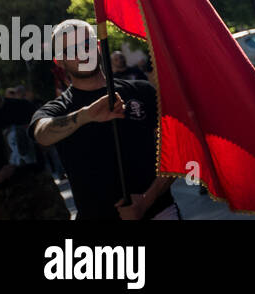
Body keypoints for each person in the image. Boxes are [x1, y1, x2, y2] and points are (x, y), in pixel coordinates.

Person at [30, 20, 179, 220]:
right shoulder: (59, 109)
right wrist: (86, 115)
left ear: (98, 46)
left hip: (160, 212)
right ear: (59, 60)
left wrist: (146, 200)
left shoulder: (141, 91)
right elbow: (41, 133)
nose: (83, 53)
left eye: (87, 44)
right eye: (72, 49)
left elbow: (176, 152)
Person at [0, 72, 69, 219]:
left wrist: (41, 139)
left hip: (39, 184)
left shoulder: (22, 107)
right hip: (5, 195)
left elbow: (46, 140)